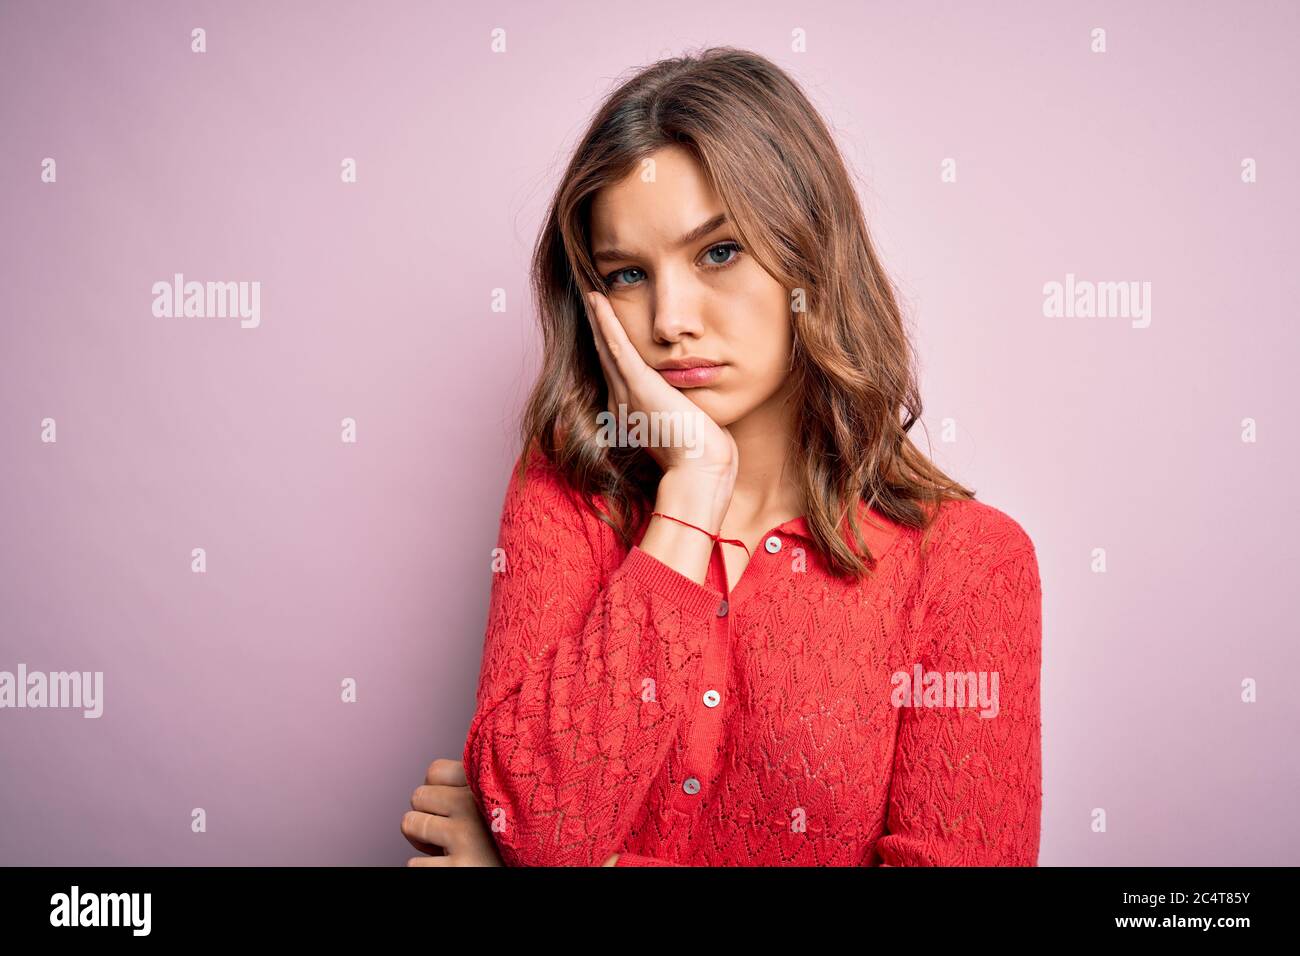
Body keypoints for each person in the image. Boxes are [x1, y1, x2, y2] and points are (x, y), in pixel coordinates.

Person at [401, 46, 1041, 867]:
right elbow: (538, 822)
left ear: (811, 255)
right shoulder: (567, 494)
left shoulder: (969, 567)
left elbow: (528, 854)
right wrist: (692, 489)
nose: (670, 319)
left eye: (719, 253)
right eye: (628, 273)